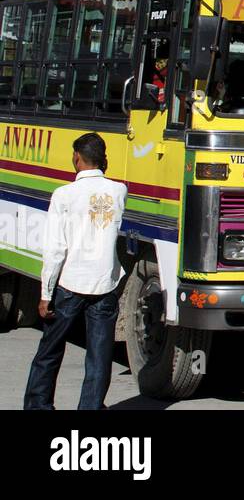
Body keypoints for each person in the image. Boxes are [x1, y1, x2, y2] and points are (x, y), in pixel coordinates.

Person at [24, 133, 127, 410]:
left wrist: (46, 293)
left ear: (77, 158)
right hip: (104, 284)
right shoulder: (119, 191)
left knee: (49, 352)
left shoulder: (63, 195)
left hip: (70, 285)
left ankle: (38, 406)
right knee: (99, 357)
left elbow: (56, 249)